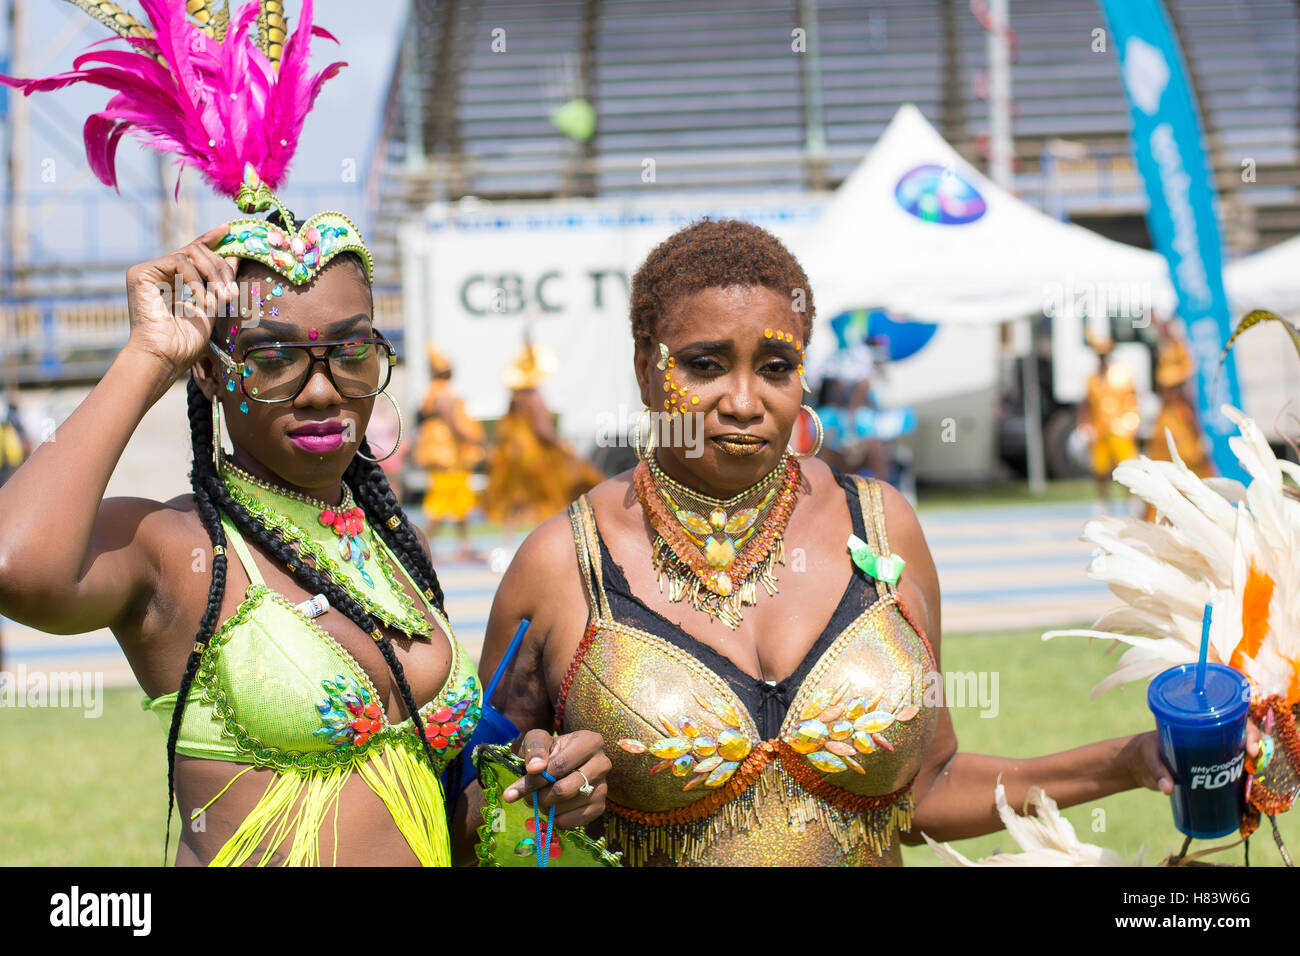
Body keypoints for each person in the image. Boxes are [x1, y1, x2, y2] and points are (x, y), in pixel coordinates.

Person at [0, 0, 605, 866]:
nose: (322, 389)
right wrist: (148, 354)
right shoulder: (180, 550)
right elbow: (16, 564)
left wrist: (533, 777)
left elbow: (440, 797)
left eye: (351, 353)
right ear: (211, 370)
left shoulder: (390, 547)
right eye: (275, 357)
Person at [469, 218, 1187, 866]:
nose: (746, 401)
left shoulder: (882, 526)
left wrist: (1130, 761)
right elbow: (471, 813)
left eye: (776, 368)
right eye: (705, 364)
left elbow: (926, 790)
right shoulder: (561, 563)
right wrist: (536, 791)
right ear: (645, 372)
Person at [481, 339, 604, 546]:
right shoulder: (534, 398)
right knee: (549, 498)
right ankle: (551, 542)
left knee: (515, 501)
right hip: (536, 459)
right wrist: (561, 445)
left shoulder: (515, 399)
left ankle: (506, 542)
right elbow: (543, 430)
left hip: (514, 458)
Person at [413, 345, 486, 561]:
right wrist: (472, 438)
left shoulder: (436, 390)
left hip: (452, 455)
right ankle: (423, 547)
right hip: (446, 454)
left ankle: (464, 543)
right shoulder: (441, 392)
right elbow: (452, 421)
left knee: (460, 499)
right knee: (440, 502)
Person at [1079, 335, 1140, 515]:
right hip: (1100, 429)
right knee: (1100, 469)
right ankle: (1102, 500)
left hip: (1121, 427)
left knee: (1127, 467)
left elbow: (1132, 399)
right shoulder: (1092, 378)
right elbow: (1086, 403)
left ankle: (1131, 499)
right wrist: (1084, 425)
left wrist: (1133, 422)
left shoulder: (1122, 374)